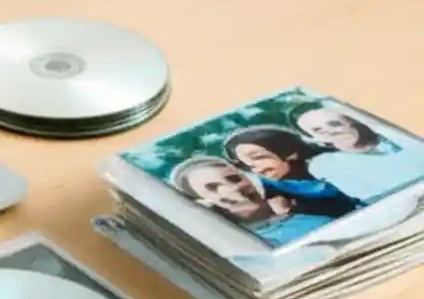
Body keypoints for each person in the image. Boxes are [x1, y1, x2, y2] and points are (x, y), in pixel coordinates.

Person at [171, 157, 335, 247]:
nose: (233, 188)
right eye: (213, 188)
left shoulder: (307, 203)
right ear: (202, 201)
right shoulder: (232, 242)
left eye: (234, 178)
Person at [293, 104, 424, 202]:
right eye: (318, 130)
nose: (332, 131)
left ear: (352, 121)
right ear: (313, 139)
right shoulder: (329, 165)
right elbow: (379, 200)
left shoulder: (392, 137)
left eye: (335, 124)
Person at [223, 126, 361, 219]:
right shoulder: (268, 183)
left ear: (291, 153)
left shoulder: (330, 165)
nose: (255, 167)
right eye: (245, 164)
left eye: (258, 157)